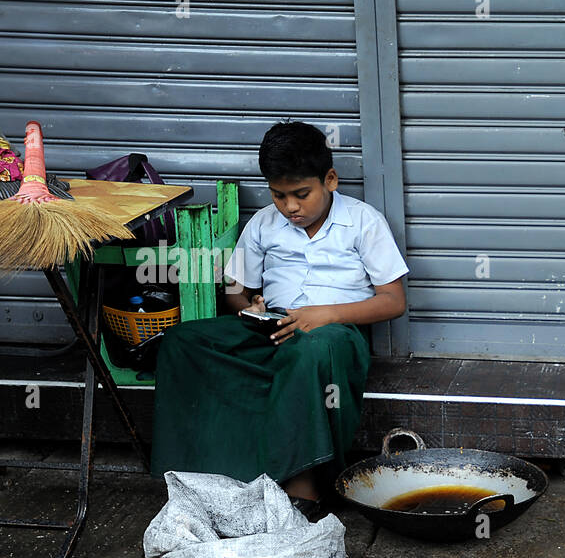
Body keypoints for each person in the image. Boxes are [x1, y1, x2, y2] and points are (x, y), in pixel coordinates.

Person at [150, 121, 409, 515]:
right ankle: (202, 478)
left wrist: (326, 315)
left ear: (331, 180)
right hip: (271, 328)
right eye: (279, 195)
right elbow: (235, 289)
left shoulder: (363, 222)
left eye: (301, 194)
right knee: (182, 342)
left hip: (335, 335)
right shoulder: (264, 224)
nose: (290, 207)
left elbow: (393, 300)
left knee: (305, 354)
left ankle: (303, 487)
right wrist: (249, 308)